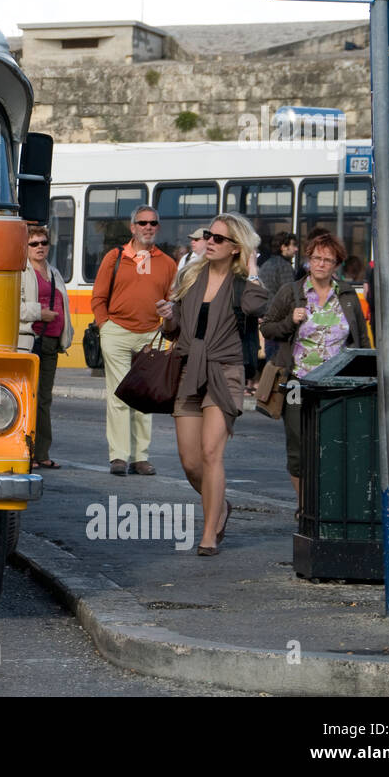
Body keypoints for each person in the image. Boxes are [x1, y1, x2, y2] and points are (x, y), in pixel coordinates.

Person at [157, 214, 268, 556]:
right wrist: (168, 316)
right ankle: (220, 505)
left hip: (225, 373)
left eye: (218, 238)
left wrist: (252, 270)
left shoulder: (242, 284)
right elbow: (172, 331)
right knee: (190, 461)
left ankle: (208, 533)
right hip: (189, 370)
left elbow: (255, 306)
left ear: (236, 247)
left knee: (210, 453)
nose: (209, 242)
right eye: (208, 235)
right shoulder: (190, 276)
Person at [261, 232, 371, 509]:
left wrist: (367, 376)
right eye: (316, 258)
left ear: (337, 265)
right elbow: (268, 327)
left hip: (337, 385)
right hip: (297, 382)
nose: (320, 264)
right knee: (299, 447)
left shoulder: (346, 294)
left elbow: (361, 340)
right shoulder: (292, 292)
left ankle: (329, 504)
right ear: (308, 260)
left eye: (327, 260)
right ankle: (305, 506)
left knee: (334, 445)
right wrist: (290, 320)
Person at [91, 205, 177, 476]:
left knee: (146, 396)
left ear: (158, 228)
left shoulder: (167, 262)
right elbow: (98, 297)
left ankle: (140, 457)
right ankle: (118, 456)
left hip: (152, 335)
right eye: (142, 223)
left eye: (153, 223)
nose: (148, 227)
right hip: (117, 332)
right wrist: (105, 326)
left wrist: (167, 323)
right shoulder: (114, 257)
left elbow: (174, 299)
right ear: (133, 227)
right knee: (119, 394)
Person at [19, 224, 73, 469]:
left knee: (44, 400)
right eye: (34, 244)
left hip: (51, 342)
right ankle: (26, 453)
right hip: (31, 340)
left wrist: (66, 334)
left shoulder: (54, 272)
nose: (40, 247)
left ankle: (41, 453)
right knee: (28, 397)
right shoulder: (21, 271)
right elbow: (11, 306)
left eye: (44, 243)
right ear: (26, 247)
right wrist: (39, 313)